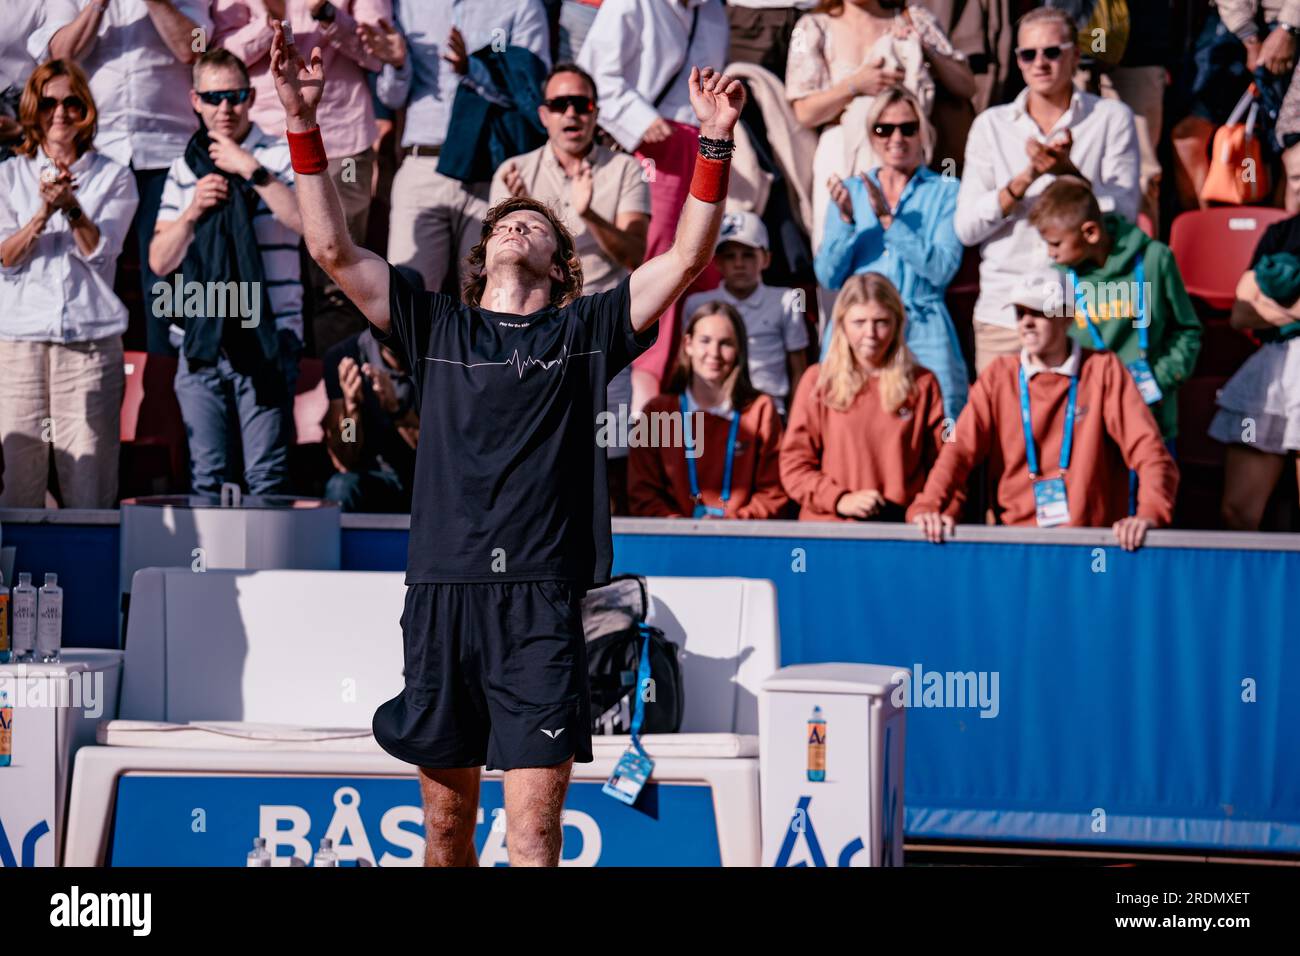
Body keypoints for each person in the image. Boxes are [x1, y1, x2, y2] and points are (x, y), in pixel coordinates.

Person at [268, 21, 744, 865]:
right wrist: (301, 122)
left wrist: (713, 141)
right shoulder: (434, 320)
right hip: (444, 593)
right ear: (481, 251)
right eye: (504, 222)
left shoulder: (586, 327)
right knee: (446, 835)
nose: (517, 226)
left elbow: (688, 256)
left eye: (535, 225)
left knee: (533, 836)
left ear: (562, 262)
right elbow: (331, 246)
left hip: (541, 602)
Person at [907, 271, 1177, 551]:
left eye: (1039, 313)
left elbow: (1149, 450)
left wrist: (1148, 515)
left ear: (1067, 318)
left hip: (1090, 545)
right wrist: (929, 505)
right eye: (1020, 313)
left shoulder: (1103, 369)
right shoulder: (999, 375)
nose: (1027, 323)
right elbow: (958, 448)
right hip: (1016, 543)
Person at [491, 61, 651, 512]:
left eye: (580, 104)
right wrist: (517, 210)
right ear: (543, 115)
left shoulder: (626, 170)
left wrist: (592, 216)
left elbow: (635, 254)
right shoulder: (513, 171)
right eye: (559, 105)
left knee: (609, 463)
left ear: (595, 111)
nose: (571, 114)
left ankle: (609, 575)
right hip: (530, 336)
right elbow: (493, 267)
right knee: (530, 458)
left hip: (603, 334)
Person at [149, 48, 305, 496]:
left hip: (268, 336)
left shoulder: (278, 153)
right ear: (195, 101)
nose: (225, 108)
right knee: (207, 479)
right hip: (202, 338)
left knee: (266, 479)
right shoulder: (185, 166)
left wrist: (251, 171)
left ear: (252, 96)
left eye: (235, 95)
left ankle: (269, 567)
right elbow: (160, 261)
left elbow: (309, 227)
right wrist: (193, 212)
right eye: (213, 97)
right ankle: (208, 568)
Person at [954, 5, 1139, 375]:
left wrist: (1068, 173)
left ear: (1074, 55)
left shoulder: (1112, 118)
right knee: (1005, 431)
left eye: (1052, 51)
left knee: (1083, 429)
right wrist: (1025, 180)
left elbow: (1123, 217)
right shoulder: (991, 125)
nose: (1040, 62)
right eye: (1028, 54)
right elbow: (967, 228)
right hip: (1006, 311)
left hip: (1085, 310)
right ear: (1018, 61)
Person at [212, 0, 390, 356]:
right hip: (258, 141)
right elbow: (217, 60)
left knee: (338, 277)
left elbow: (378, 54)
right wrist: (270, 22)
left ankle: (339, 395)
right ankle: (279, 385)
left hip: (339, 142)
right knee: (261, 271)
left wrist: (326, 12)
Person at [577, 0, 730, 412]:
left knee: (702, 259)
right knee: (661, 257)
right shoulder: (632, 3)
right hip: (650, 143)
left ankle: (689, 392)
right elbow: (593, 73)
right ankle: (644, 386)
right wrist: (638, 117)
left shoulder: (713, 11)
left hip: (701, 138)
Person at [36, 0, 213, 356]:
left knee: (168, 278)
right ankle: (91, 370)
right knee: (90, 266)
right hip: (97, 152)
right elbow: (60, 56)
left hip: (168, 150)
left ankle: (169, 381)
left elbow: (195, 49)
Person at [0, 60, 138, 509]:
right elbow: (5, 257)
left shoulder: (115, 176)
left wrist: (72, 207)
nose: (59, 113)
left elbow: (101, 252)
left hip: (89, 345)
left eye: (71, 103)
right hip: (19, 344)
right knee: (18, 488)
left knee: (89, 487)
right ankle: (17, 582)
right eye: (48, 103)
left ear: (87, 112)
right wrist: (42, 213)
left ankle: (91, 581)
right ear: (33, 110)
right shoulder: (8, 176)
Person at [374, 0, 551, 298]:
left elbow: (532, 94)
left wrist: (473, 70)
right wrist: (397, 64)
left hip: (489, 173)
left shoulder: (522, 5)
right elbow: (391, 98)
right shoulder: (408, 5)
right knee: (406, 302)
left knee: (489, 302)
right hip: (422, 165)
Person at [816, 84, 966, 421]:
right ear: (871, 136)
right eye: (884, 129)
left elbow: (942, 269)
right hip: (859, 329)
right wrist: (846, 221)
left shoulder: (946, 191)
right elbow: (827, 275)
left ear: (923, 133)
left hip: (922, 323)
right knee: (844, 419)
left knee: (942, 424)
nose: (896, 138)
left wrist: (888, 220)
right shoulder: (851, 191)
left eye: (907, 128)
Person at [785, 0, 974, 260]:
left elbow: (966, 86)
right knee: (841, 250)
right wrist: (855, 85)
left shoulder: (912, 18)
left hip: (905, 150)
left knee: (911, 248)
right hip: (843, 155)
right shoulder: (815, 26)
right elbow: (804, 112)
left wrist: (924, 48)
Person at [1029, 177, 1201, 446]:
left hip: (1151, 419)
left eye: (1056, 244)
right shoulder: (1058, 278)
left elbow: (1187, 330)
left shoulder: (1155, 259)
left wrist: (1160, 378)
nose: (1050, 254)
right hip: (1088, 423)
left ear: (1090, 233)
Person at [781, 272, 950, 521]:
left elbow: (944, 464)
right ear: (842, 325)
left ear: (897, 323)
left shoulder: (923, 383)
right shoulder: (817, 382)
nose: (870, 333)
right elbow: (794, 465)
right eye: (859, 322)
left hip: (900, 533)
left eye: (881, 321)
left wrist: (926, 509)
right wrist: (839, 499)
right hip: (830, 530)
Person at [628, 301, 789, 518]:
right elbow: (642, 492)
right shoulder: (657, 412)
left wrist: (731, 524)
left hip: (741, 542)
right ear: (688, 345)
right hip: (673, 542)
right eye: (705, 341)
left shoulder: (761, 411)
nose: (714, 353)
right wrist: (682, 528)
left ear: (739, 349)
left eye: (726, 343)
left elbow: (773, 492)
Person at [1210, 144, 1300, 529]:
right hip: (1271, 373)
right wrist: (1293, 314)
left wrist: (1272, 310)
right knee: (1237, 513)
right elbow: (1240, 312)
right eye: (1295, 177)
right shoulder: (1280, 233)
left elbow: (1255, 302)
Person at [1171, 1, 1299, 211]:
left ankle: (1279, 236)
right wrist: (1248, 35)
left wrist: (1288, 27)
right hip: (1230, 25)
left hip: (1290, 26)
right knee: (1188, 137)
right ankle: (1205, 233)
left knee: (1292, 146)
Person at [682, 211, 809, 415]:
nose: (739, 263)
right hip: (711, 410)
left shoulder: (790, 299)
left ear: (766, 259)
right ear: (717, 263)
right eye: (730, 256)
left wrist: (796, 420)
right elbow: (687, 365)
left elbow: (798, 368)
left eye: (748, 254)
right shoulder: (696, 304)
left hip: (773, 410)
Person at [321, 327, 417, 512]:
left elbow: (443, 456)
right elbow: (344, 461)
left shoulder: (442, 353)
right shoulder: (347, 356)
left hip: (426, 480)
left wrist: (396, 410)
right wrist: (352, 408)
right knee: (341, 486)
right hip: (377, 479)